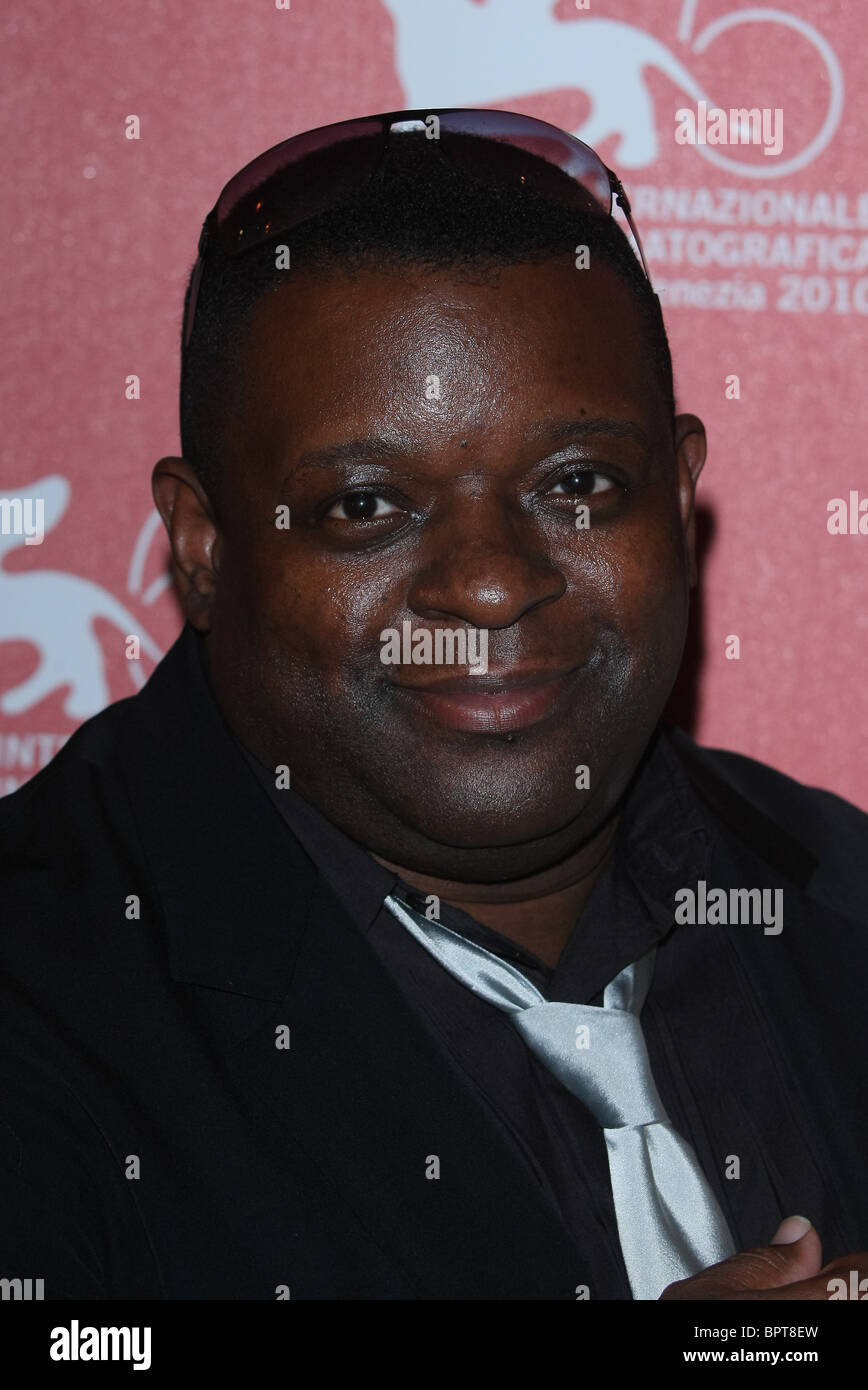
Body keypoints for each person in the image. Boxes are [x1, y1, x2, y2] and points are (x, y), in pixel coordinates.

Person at [1, 110, 866, 1302]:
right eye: (366, 505)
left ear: (674, 496)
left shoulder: (840, 894)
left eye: (576, 484)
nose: (492, 580)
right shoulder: (43, 987)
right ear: (202, 548)